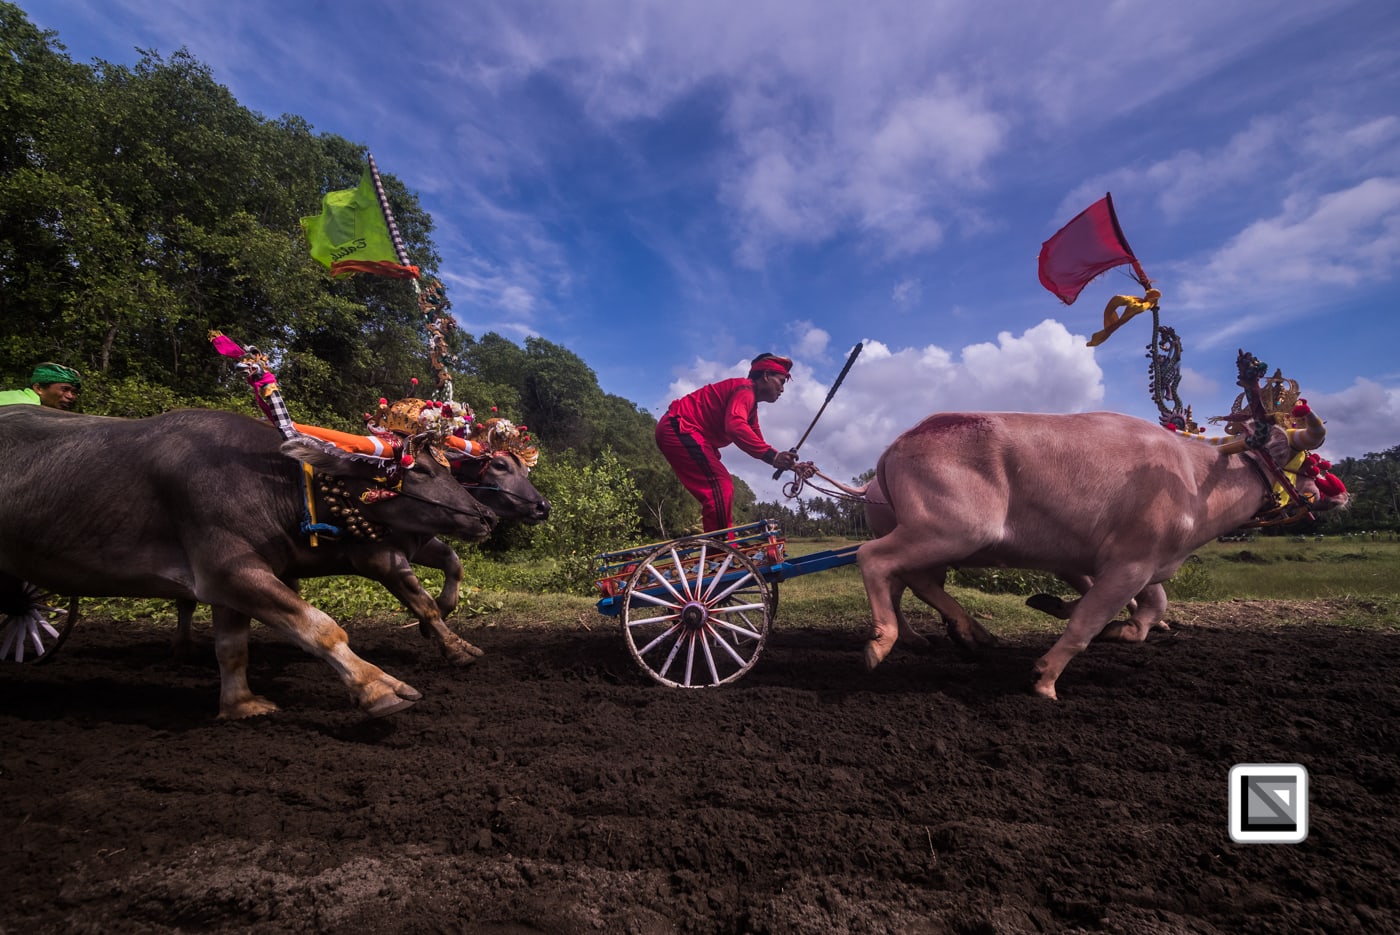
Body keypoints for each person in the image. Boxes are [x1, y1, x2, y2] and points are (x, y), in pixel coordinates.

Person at [656, 352, 799, 533]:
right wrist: (773, 457)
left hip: (680, 431)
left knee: (721, 486)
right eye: (781, 381)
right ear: (765, 376)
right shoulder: (745, 390)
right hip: (679, 427)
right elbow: (736, 427)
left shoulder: (750, 405)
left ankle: (720, 546)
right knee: (720, 485)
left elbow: (757, 442)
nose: (782, 390)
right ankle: (720, 550)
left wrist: (793, 466)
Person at [0, 362, 82, 409]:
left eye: (74, 392)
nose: (71, 396)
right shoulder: (25, 407)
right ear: (39, 388)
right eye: (64, 389)